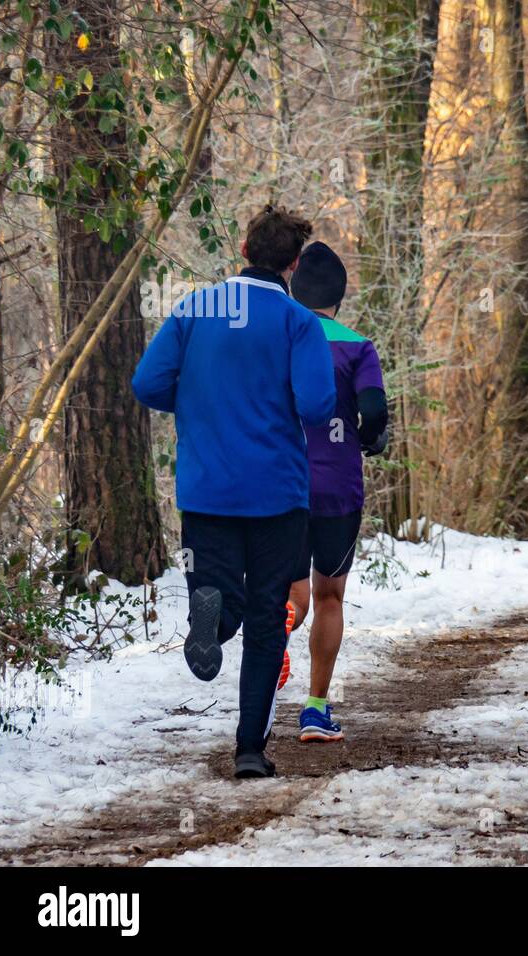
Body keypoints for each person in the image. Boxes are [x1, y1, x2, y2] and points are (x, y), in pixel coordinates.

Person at [132, 206, 335, 779]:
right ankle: (250, 750)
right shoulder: (299, 324)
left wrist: (202, 406)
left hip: (206, 489)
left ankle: (213, 616)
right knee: (270, 618)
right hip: (277, 493)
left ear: (243, 251)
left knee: (219, 593)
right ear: (294, 265)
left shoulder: (195, 308)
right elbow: (318, 406)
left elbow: (147, 384)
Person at [283, 241, 388, 743]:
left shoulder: (278, 341)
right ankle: (315, 709)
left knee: (292, 593)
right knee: (329, 595)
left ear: (293, 290)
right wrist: (370, 438)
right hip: (337, 490)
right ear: (340, 297)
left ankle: (281, 625)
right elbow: (375, 411)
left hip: (280, 483)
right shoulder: (357, 346)